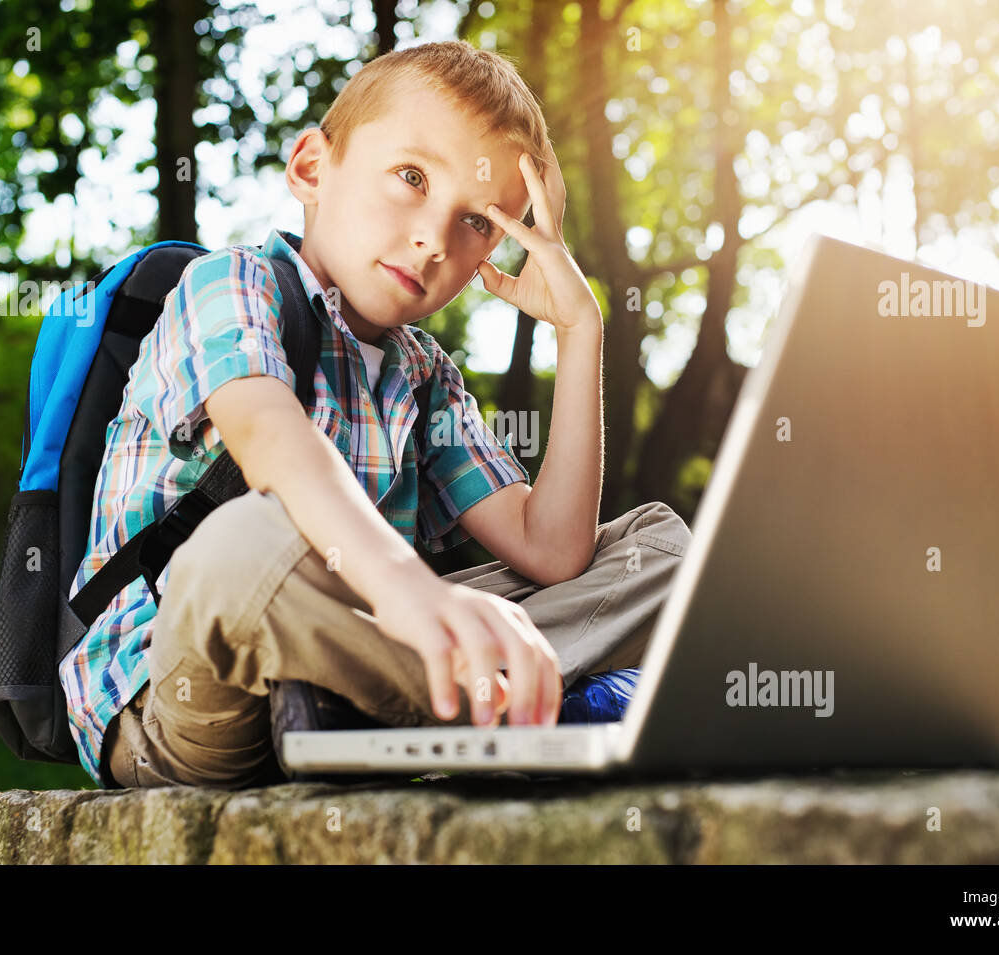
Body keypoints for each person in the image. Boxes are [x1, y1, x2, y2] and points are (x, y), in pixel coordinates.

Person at [65, 39, 692, 790]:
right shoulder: (230, 281)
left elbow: (553, 551)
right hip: (184, 687)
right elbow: (269, 434)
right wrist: (407, 587)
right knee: (249, 538)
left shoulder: (422, 372)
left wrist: (581, 330)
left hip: (351, 661)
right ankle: (526, 707)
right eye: (411, 177)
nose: (433, 239)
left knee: (661, 550)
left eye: (478, 222)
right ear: (311, 169)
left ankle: (392, 713)